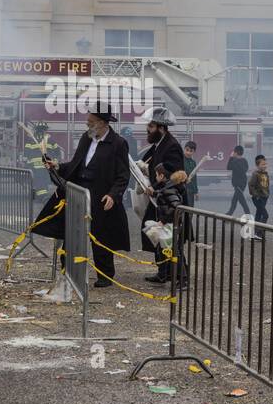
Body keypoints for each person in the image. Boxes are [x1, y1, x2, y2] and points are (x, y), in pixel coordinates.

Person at [33, 105, 130, 289]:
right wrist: (57, 166)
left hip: (100, 195)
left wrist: (113, 195)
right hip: (78, 191)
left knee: (101, 235)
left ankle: (104, 274)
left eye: (91, 122)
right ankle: (68, 270)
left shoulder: (118, 143)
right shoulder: (87, 138)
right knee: (72, 231)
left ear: (102, 123)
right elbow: (76, 163)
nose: (87, 125)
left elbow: (123, 175)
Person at [137, 107, 185, 274]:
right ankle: (163, 272)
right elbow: (148, 161)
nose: (147, 130)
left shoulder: (171, 146)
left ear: (161, 128)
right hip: (159, 199)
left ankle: (179, 275)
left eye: (151, 126)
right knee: (159, 236)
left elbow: (173, 175)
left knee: (171, 239)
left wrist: (155, 188)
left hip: (167, 200)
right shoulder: (159, 144)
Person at [145, 164, 188, 284]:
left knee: (175, 252)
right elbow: (163, 194)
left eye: (157, 175)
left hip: (171, 225)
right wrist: (153, 193)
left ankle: (183, 279)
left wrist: (163, 220)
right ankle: (162, 274)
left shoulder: (169, 188)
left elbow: (176, 206)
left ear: (162, 175)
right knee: (162, 249)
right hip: (169, 224)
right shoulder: (169, 186)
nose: (155, 178)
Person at [226, 145, 252, 215]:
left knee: (242, 201)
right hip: (243, 183)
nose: (233, 153)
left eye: (233, 152)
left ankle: (248, 215)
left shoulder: (235, 161)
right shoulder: (244, 161)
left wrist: (231, 157)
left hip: (238, 184)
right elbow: (245, 169)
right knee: (235, 200)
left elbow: (228, 167)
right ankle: (229, 214)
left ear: (236, 153)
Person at [249, 154, 271, 224]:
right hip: (258, 198)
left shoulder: (266, 174)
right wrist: (256, 195)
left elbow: (266, 185)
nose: (265, 166)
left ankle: (256, 232)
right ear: (257, 165)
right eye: (262, 164)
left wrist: (267, 194)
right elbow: (251, 185)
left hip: (264, 197)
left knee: (258, 214)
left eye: (265, 164)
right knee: (265, 215)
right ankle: (259, 232)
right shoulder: (255, 174)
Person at [183, 140, 200, 207]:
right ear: (184, 149)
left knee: (190, 210)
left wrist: (196, 192)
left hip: (190, 191)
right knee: (181, 210)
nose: (188, 152)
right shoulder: (180, 160)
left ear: (194, 152)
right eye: (187, 150)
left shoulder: (193, 163)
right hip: (182, 189)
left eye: (191, 151)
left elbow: (194, 178)